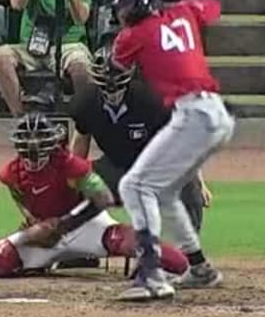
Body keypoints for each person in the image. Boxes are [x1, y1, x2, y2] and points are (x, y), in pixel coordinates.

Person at [108, 0, 234, 302]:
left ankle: (151, 274)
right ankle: (200, 267)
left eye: (122, 9)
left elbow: (117, 63)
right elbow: (213, 8)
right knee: (162, 192)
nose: (120, 15)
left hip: (194, 114)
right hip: (215, 113)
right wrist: (173, 7)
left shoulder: (130, 36)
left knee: (134, 186)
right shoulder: (183, 10)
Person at [0, 112, 189, 279]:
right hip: (46, 235)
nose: (33, 153)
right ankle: (43, 262)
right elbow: (21, 200)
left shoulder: (70, 165)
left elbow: (103, 198)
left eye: (39, 145)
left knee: (168, 259)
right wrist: (34, 225)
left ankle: (164, 263)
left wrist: (64, 223)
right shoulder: (10, 174)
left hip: (85, 225)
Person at [70, 46, 211, 242]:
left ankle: (187, 253)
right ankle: (81, 250)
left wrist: (199, 181)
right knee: (74, 187)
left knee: (187, 185)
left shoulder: (150, 100)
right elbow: (80, 140)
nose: (111, 87)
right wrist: (71, 177)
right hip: (116, 166)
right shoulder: (85, 102)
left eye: (117, 80)